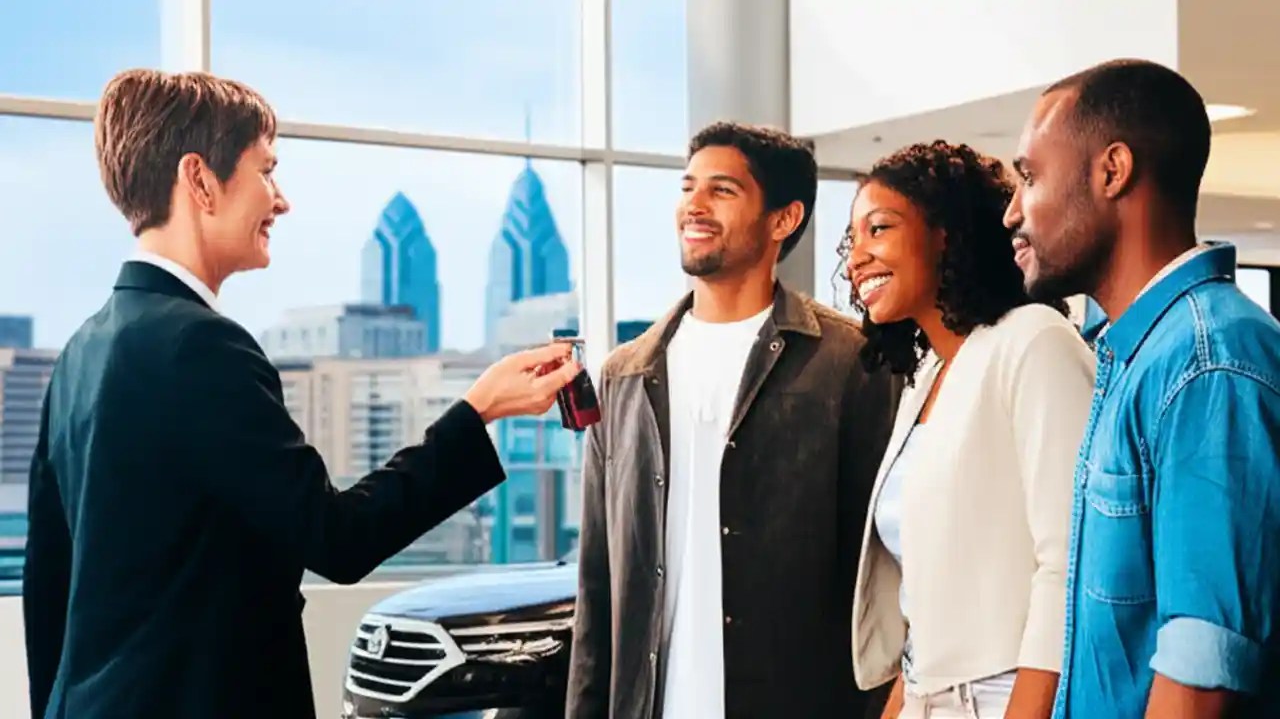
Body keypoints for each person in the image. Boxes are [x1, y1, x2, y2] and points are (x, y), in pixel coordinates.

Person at [21, 69, 581, 719]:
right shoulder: (200, 349)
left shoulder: (81, 352)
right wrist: (479, 411)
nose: (280, 200)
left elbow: (48, 583)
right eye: (266, 170)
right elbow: (338, 538)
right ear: (199, 180)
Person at [564, 121, 899, 719]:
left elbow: (880, 572)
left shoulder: (852, 361)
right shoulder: (625, 377)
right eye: (688, 187)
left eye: (722, 190)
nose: (694, 204)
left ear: (783, 219)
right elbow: (598, 589)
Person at [1005, 58, 1280, 718]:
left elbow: (1201, 675)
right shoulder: (1137, 354)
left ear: (1113, 170)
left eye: (1030, 176)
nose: (1014, 211)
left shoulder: (1208, 359)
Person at [844, 141, 1094, 719]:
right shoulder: (927, 373)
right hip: (928, 693)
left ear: (946, 234)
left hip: (1007, 695)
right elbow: (926, 593)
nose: (858, 257)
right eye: (852, 239)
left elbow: (1068, 565)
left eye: (878, 229)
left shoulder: (1033, 341)